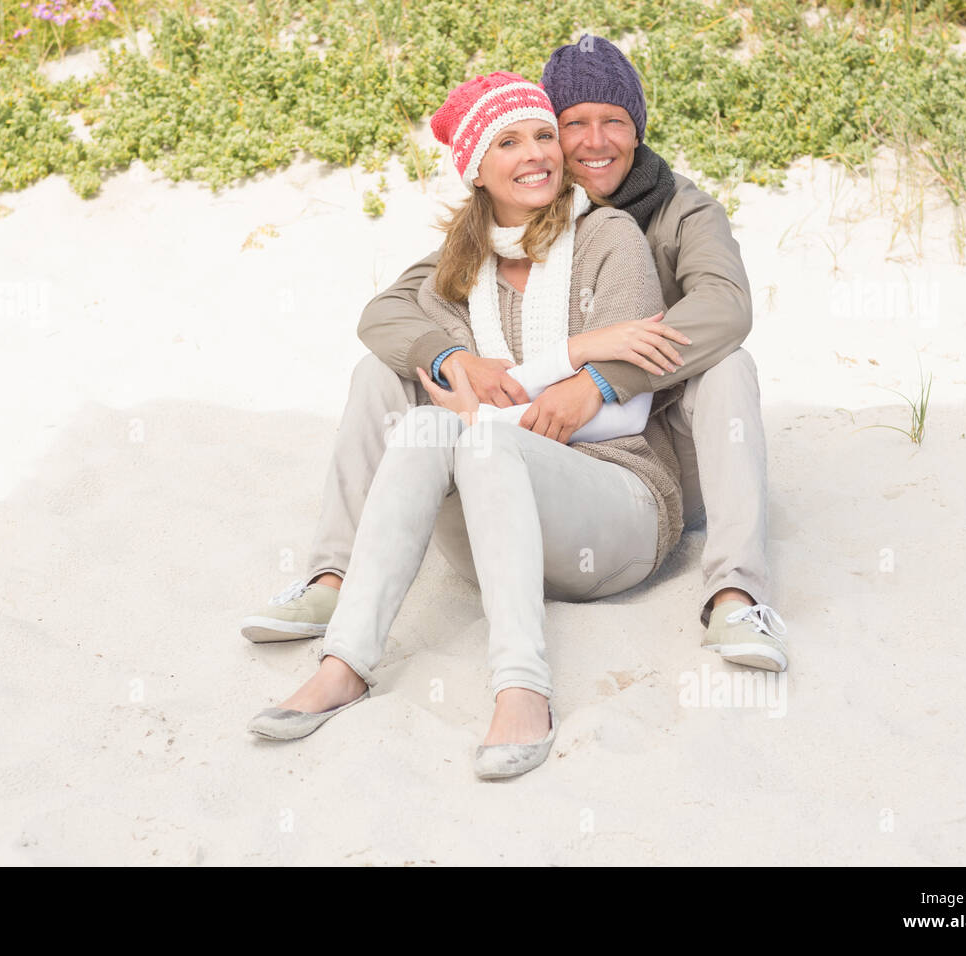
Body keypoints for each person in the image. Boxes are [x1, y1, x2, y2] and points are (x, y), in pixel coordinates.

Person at [241, 34, 789, 672]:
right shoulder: (506, 224)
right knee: (383, 371)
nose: (594, 141)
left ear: (637, 131)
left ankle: (736, 592)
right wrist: (457, 360)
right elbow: (391, 310)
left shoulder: (677, 212)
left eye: (614, 121)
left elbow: (726, 308)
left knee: (729, 365)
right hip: (529, 440)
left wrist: (603, 378)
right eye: (570, 125)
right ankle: (332, 580)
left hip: (653, 433)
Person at [247, 71, 687, 780]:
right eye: (509, 141)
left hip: (618, 513)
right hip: (499, 532)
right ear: (476, 169)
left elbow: (626, 411)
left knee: (469, 432)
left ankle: (522, 687)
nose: (537, 154)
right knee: (427, 429)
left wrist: (501, 404)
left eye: (545, 135)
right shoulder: (458, 270)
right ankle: (346, 663)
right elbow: (382, 325)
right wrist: (561, 359)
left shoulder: (609, 237)